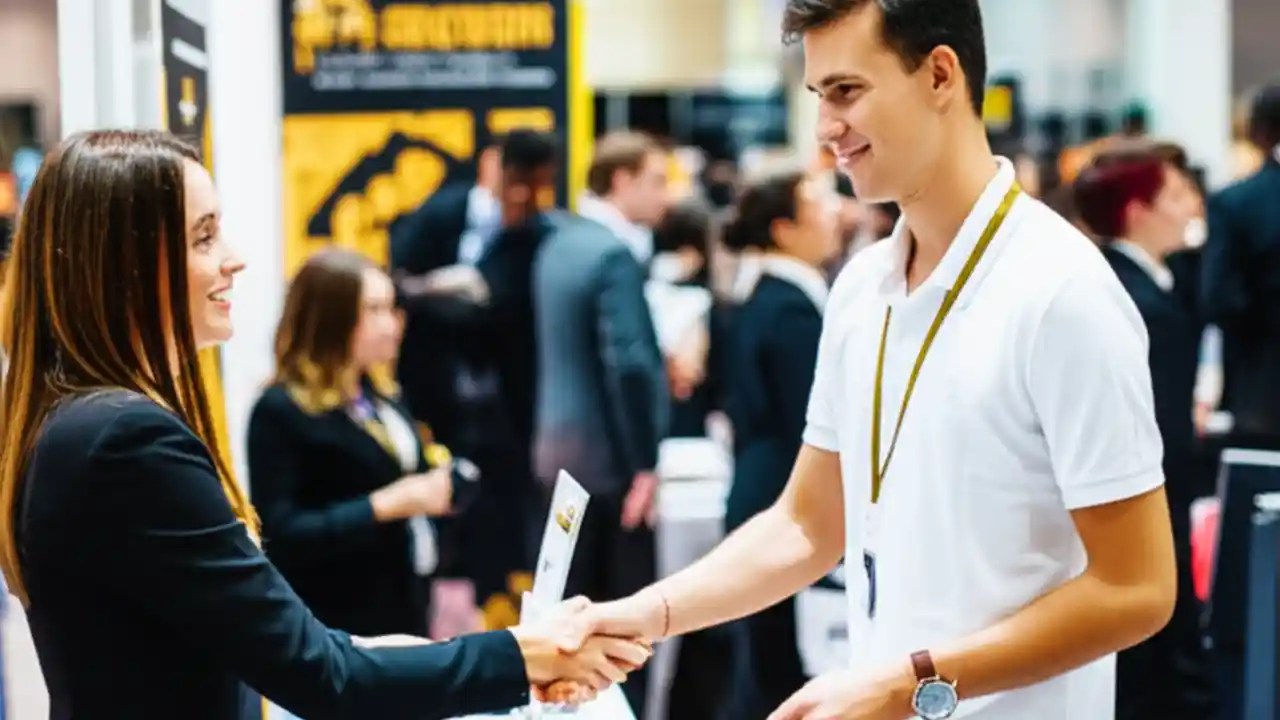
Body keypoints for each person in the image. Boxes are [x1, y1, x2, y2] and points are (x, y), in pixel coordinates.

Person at [560, 2, 1176, 719]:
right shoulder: (860, 289)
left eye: (847, 91)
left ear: (940, 74)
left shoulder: (1061, 293)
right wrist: (648, 613)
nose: (825, 130)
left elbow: (1138, 589)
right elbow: (808, 523)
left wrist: (903, 684)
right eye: (819, 96)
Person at [0, 129, 648, 719]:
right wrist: (522, 658)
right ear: (127, 265)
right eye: (203, 236)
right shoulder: (124, 440)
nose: (234, 258)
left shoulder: (89, 423)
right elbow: (322, 675)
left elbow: (259, 646)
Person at [1074, 144, 1217, 719]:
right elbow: (1160, 434)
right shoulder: (1142, 305)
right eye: (1178, 195)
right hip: (1151, 503)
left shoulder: (1112, 282)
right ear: (1138, 210)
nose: (1192, 206)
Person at [248, 249, 457, 639]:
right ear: (332, 319)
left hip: (403, 603)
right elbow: (282, 532)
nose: (392, 325)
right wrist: (387, 505)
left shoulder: (380, 394)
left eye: (391, 308)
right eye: (374, 310)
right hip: (335, 622)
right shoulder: (280, 411)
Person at [398, 129, 560, 629]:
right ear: (494, 168)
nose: (522, 198)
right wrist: (455, 299)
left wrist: (449, 298)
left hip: (505, 395)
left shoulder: (535, 233)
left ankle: (496, 600)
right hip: (436, 386)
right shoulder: (442, 213)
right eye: (515, 182)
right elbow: (402, 280)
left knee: (502, 506)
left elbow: (507, 313)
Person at [530, 204, 670, 715]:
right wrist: (644, 463)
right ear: (624, 183)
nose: (664, 197)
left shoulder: (557, 242)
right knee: (620, 635)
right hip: (609, 465)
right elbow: (629, 362)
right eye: (655, 183)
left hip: (556, 452)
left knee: (563, 619)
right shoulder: (613, 253)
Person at [720, 168, 840, 716]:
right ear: (784, 229)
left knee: (771, 660)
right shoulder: (788, 308)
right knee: (779, 667)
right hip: (780, 495)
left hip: (760, 485)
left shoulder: (766, 295)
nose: (836, 212)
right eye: (819, 204)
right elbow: (809, 422)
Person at [1201, 82, 1280, 446]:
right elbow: (1220, 298)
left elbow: (1219, 296)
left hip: (1263, 392)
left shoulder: (1237, 202)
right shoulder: (1237, 202)